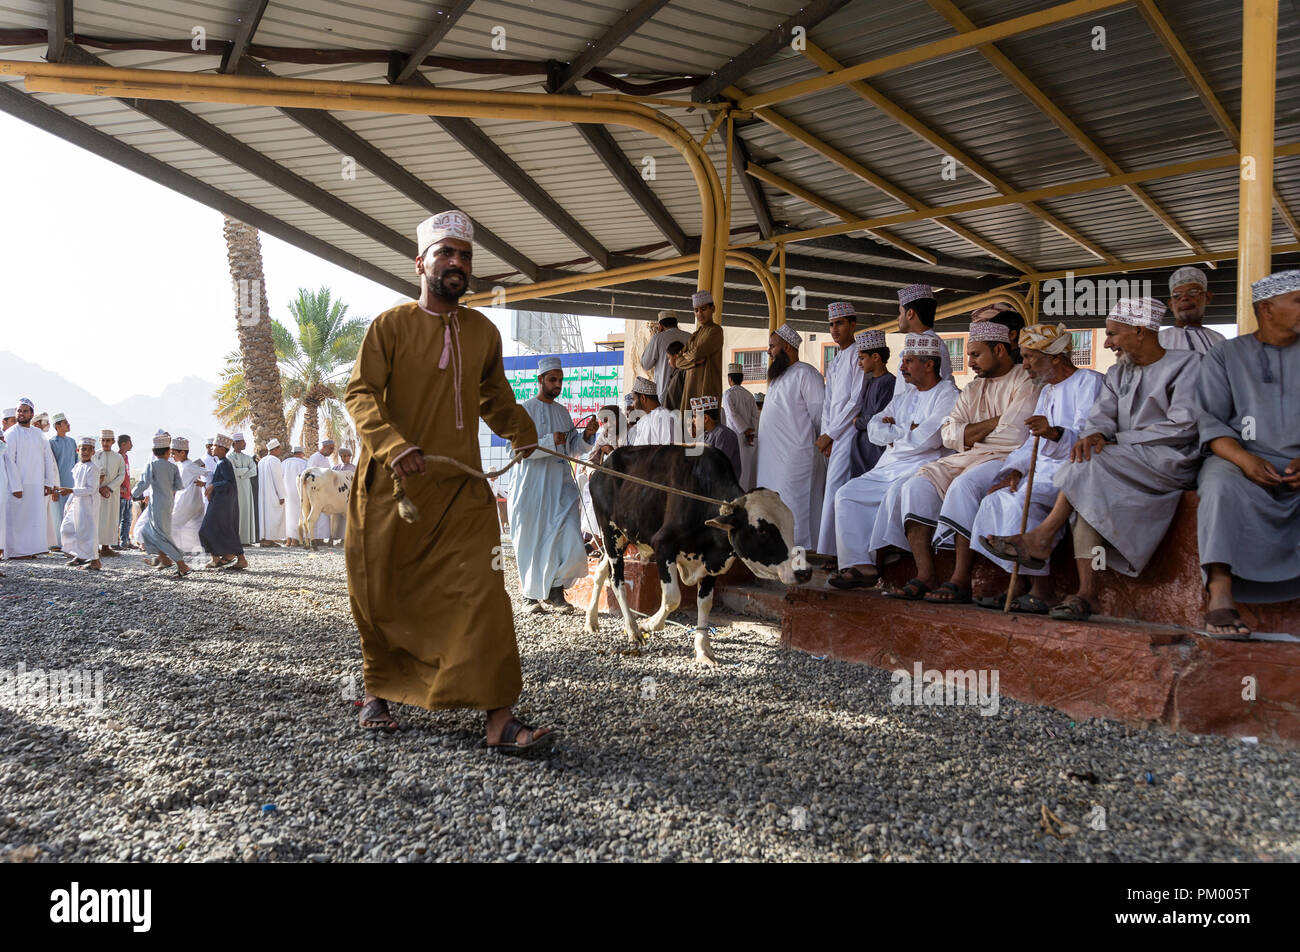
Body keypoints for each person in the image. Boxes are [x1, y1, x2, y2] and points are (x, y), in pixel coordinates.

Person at [344, 208, 553, 752]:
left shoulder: (483, 332)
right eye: (446, 254)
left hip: (461, 491)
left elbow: (493, 396)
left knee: (484, 593)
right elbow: (360, 394)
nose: (457, 263)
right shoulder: (389, 326)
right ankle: (378, 693)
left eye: (464, 256)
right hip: (396, 490)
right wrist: (394, 447)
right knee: (387, 595)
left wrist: (520, 430)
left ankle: (500, 721)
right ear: (421, 263)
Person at [983, 298, 1202, 621]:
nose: (1108, 342)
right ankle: (1087, 593)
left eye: (1113, 334)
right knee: (1086, 476)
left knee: (1087, 463)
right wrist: (1095, 435)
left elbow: (1182, 426)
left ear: (1139, 331)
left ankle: (1042, 538)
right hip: (1123, 460)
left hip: (1169, 458)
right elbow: (1101, 418)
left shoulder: (1188, 365)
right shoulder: (1117, 373)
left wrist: (1111, 440)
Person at [884, 321, 1037, 602]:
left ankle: (960, 579)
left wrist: (970, 432)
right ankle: (926, 573)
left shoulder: (1024, 382)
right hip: (970, 455)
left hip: (1004, 457)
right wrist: (990, 424)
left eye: (976, 355)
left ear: (1000, 350)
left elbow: (1013, 434)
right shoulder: (973, 388)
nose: (970, 362)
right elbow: (948, 433)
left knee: (963, 486)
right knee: (916, 484)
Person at [966, 323, 1105, 611]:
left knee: (1020, 503)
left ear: (1055, 357)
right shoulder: (1046, 391)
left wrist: (1054, 432)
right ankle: (1016, 583)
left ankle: (1042, 590)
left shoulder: (1089, 382)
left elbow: (1089, 437)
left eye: (1030, 357)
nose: (1025, 364)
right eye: (1024, 356)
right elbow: (1032, 442)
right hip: (1040, 469)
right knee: (995, 497)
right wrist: (1014, 470)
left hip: (1074, 467)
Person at [1194, 271, 1300, 637]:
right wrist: (1245, 460)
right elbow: (1211, 424)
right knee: (1219, 484)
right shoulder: (1225, 354)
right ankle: (1220, 595)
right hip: (1241, 460)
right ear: (1267, 309)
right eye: (1298, 301)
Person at [828, 336, 960, 589]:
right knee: (846, 494)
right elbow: (875, 429)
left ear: (929, 365)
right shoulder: (905, 396)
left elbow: (930, 438)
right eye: (903, 361)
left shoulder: (948, 395)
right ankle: (860, 565)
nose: (902, 368)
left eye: (909, 362)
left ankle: (889, 558)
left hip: (925, 465)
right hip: (891, 464)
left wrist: (896, 433)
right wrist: (906, 430)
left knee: (895, 494)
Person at [510, 356, 598, 614]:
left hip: (559, 487)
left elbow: (572, 448)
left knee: (568, 536)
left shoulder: (562, 411)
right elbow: (514, 449)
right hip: (532, 487)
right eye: (552, 379)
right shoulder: (524, 410)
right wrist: (549, 439)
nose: (557, 384)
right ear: (540, 380)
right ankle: (530, 596)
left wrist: (588, 435)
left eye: (560, 380)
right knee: (532, 539)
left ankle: (556, 592)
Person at [756, 324, 826, 552]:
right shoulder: (778, 377)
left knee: (794, 503)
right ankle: (777, 548)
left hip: (796, 457)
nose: (769, 351)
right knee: (772, 502)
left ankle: (801, 550)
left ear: (787, 347)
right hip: (771, 458)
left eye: (772, 346)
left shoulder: (806, 373)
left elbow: (819, 415)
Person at [815, 302, 864, 559]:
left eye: (840, 323)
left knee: (838, 490)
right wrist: (827, 435)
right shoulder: (835, 361)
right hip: (834, 435)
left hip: (849, 433)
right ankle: (832, 550)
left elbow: (855, 401)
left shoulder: (859, 355)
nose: (834, 329)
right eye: (832, 324)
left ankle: (836, 553)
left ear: (853, 325)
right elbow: (828, 403)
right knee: (832, 490)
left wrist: (831, 435)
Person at [3, 399, 59, 559]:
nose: (21, 414)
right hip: (19, 484)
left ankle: (30, 550)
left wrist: (49, 482)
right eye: (19, 411)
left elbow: (48, 458)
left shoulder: (39, 434)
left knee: (34, 518)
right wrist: (15, 486)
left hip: (36, 484)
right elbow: (9, 462)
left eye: (25, 411)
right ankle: (15, 552)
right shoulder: (11, 434)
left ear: (32, 414)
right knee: (17, 519)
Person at [132, 431, 190, 578]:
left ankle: (181, 564)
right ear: (168, 451)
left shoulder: (151, 466)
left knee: (160, 535)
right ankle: (163, 559)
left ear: (154, 451)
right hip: (168, 502)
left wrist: (133, 493)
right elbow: (179, 486)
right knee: (148, 532)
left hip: (157, 503)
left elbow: (143, 484)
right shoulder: (173, 467)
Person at [847, 329, 895, 478]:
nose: (859, 363)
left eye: (862, 358)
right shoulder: (870, 381)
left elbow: (879, 418)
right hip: (862, 450)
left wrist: (857, 421)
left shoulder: (889, 382)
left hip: (875, 452)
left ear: (875, 357)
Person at [199, 433, 247, 570]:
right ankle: (224, 558)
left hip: (223, 503)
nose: (211, 448)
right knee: (222, 529)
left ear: (222, 448)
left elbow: (229, 482)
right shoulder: (220, 462)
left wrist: (213, 486)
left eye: (214, 446)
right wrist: (207, 486)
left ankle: (221, 558)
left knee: (208, 529)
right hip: (219, 501)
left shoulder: (224, 463)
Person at [894, 284, 954, 393]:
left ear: (910, 313)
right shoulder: (914, 344)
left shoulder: (934, 347)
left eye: (900, 312)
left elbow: (937, 391)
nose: (898, 318)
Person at [674, 289, 725, 412]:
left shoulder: (716, 331)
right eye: (696, 310)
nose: (699, 314)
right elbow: (677, 362)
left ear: (713, 309)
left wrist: (686, 356)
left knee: (704, 425)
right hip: (690, 388)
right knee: (688, 426)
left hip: (706, 387)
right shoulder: (695, 335)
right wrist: (692, 362)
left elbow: (697, 353)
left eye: (703, 309)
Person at [57, 436, 102, 571]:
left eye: (88, 450)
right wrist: (70, 501)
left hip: (88, 504)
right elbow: (76, 485)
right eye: (83, 449)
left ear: (93, 452)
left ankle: (95, 561)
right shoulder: (77, 466)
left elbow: (91, 489)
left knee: (88, 532)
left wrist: (71, 491)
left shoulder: (93, 468)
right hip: (76, 501)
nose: (85, 452)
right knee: (68, 528)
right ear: (78, 450)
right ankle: (80, 555)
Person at [1161, 266, 1225, 354]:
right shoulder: (1158, 340)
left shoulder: (1219, 340)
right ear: (1171, 304)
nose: (1184, 298)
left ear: (1207, 298)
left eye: (1193, 292)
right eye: (1176, 295)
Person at [639, 309, 691, 405]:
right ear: (676, 323)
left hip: (664, 394)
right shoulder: (690, 337)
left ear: (660, 326)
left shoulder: (658, 338)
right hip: (688, 392)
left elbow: (645, 364)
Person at [722, 361, 758, 490]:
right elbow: (755, 416)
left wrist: (745, 430)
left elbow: (732, 415)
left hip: (735, 435)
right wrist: (751, 432)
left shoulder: (728, 394)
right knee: (746, 467)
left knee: (736, 467)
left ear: (729, 379)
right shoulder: (749, 395)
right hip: (748, 437)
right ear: (742, 379)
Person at [91, 429, 125, 558]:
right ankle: (95, 547)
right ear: (100, 441)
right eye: (103, 440)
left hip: (111, 494)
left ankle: (106, 547)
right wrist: (98, 487)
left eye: (108, 441)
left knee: (110, 518)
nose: (105, 443)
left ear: (113, 442)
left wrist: (109, 487)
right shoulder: (94, 455)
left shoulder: (118, 457)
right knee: (97, 518)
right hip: (96, 493)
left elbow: (121, 475)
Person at [170, 437, 206, 555]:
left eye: (174, 453)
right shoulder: (181, 464)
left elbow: (208, 473)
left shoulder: (189, 465)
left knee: (174, 522)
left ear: (182, 452)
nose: (172, 456)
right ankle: (189, 547)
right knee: (191, 524)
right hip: (183, 497)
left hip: (189, 499)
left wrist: (205, 484)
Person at [692, 396, 741, 480]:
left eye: (695, 417)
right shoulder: (703, 435)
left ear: (705, 418)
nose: (693, 420)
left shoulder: (724, 435)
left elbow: (717, 466)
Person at [48, 412, 76, 547]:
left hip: (71, 485)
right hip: (58, 485)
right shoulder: (52, 443)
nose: (68, 424)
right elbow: (51, 467)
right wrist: (53, 487)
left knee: (71, 513)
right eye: (65, 423)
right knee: (57, 514)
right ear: (57, 426)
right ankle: (58, 544)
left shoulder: (72, 442)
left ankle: (70, 542)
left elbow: (77, 465)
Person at [627, 376, 680, 445]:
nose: (632, 404)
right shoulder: (643, 421)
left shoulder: (665, 418)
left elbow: (671, 451)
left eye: (634, 400)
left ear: (643, 398)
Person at [228, 433, 258, 547]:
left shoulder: (248, 458)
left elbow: (254, 471)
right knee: (236, 512)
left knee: (246, 510)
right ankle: (236, 539)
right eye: (242, 442)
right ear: (235, 443)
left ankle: (245, 539)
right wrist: (245, 470)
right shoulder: (229, 458)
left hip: (246, 488)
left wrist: (243, 474)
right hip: (235, 488)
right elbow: (233, 472)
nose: (245, 444)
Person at [257, 438, 287, 545]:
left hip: (263, 496)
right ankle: (269, 540)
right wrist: (281, 495)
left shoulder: (261, 461)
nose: (280, 451)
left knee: (264, 517)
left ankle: (264, 539)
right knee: (273, 516)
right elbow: (278, 479)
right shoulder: (275, 460)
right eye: (279, 449)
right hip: (273, 494)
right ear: (275, 449)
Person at [306, 438, 336, 541]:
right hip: (316, 491)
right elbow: (309, 474)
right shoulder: (315, 457)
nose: (332, 451)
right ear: (324, 447)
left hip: (325, 492)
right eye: (331, 448)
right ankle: (315, 539)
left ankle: (321, 538)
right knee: (316, 515)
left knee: (324, 516)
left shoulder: (325, 459)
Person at [281, 446, 308, 545]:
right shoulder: (305, 463)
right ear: (301, 453)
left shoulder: (285, 462)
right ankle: (296, 539)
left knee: (288, 515)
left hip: (286, 492)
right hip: (299, 492)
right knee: (298, 515)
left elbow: (281, 476)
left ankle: (288, 539)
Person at [330, 446, 356, 543]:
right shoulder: (336, 467)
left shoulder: (354, 468)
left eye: (345, 456)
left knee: (347, 518)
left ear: (349, 456)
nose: (343, 458)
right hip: (336, 497)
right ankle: (333, 537)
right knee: (335, 518)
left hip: (348, 497)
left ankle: (345, 539)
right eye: (341, 456)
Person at [113, 434, 134, 549]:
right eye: (130, 442)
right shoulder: (117, 457)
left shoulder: (126, 457)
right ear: (124, 444)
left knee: (127, 519)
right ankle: (114, 542)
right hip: (119, 495)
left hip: (127, 495)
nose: (132, 445)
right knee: (117, 519)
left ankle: (125, 541)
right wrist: (119, 487)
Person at [662, 340, 687, 412]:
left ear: (676, 356)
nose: (668, 362)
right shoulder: (677, 371)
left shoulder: (684, 370)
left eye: (669, 358)